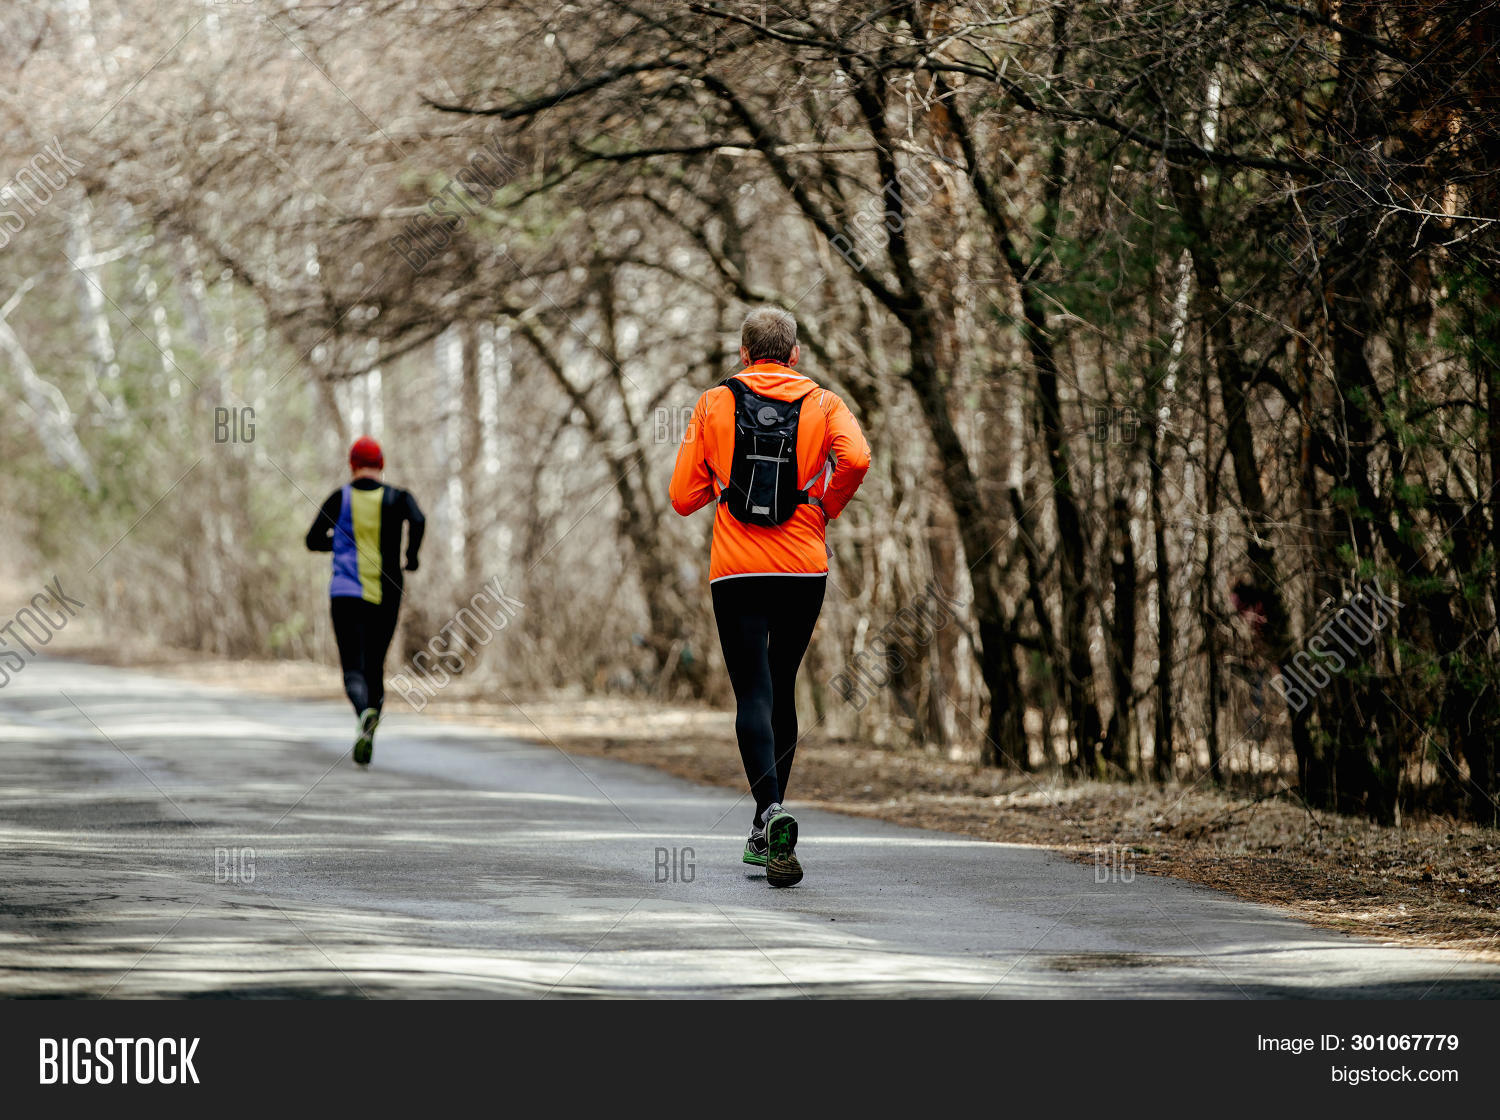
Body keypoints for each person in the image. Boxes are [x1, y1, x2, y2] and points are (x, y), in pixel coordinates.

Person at [670, 307, 870, 886]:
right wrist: (824, 506)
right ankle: (768, 819)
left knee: (753, 692)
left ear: (742, 352)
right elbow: (856, 458)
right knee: (782, 685)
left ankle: (768, 814)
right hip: (804, 569)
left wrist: (722, 484)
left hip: (737, 570)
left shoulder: (713, 402)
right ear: (795, 354)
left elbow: (683, 496)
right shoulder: (825, 402)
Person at [305, 436, 425, 765]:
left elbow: (312, 539)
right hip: (386, 593)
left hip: (346, 594)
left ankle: (363, 712)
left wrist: (343, 544)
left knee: (353, 668)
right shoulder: (398, 498)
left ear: (353, 465)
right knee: (375, 667)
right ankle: (368, 731)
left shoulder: (339, 498)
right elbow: (419, 519)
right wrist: (410, 557)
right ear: (381, 465)